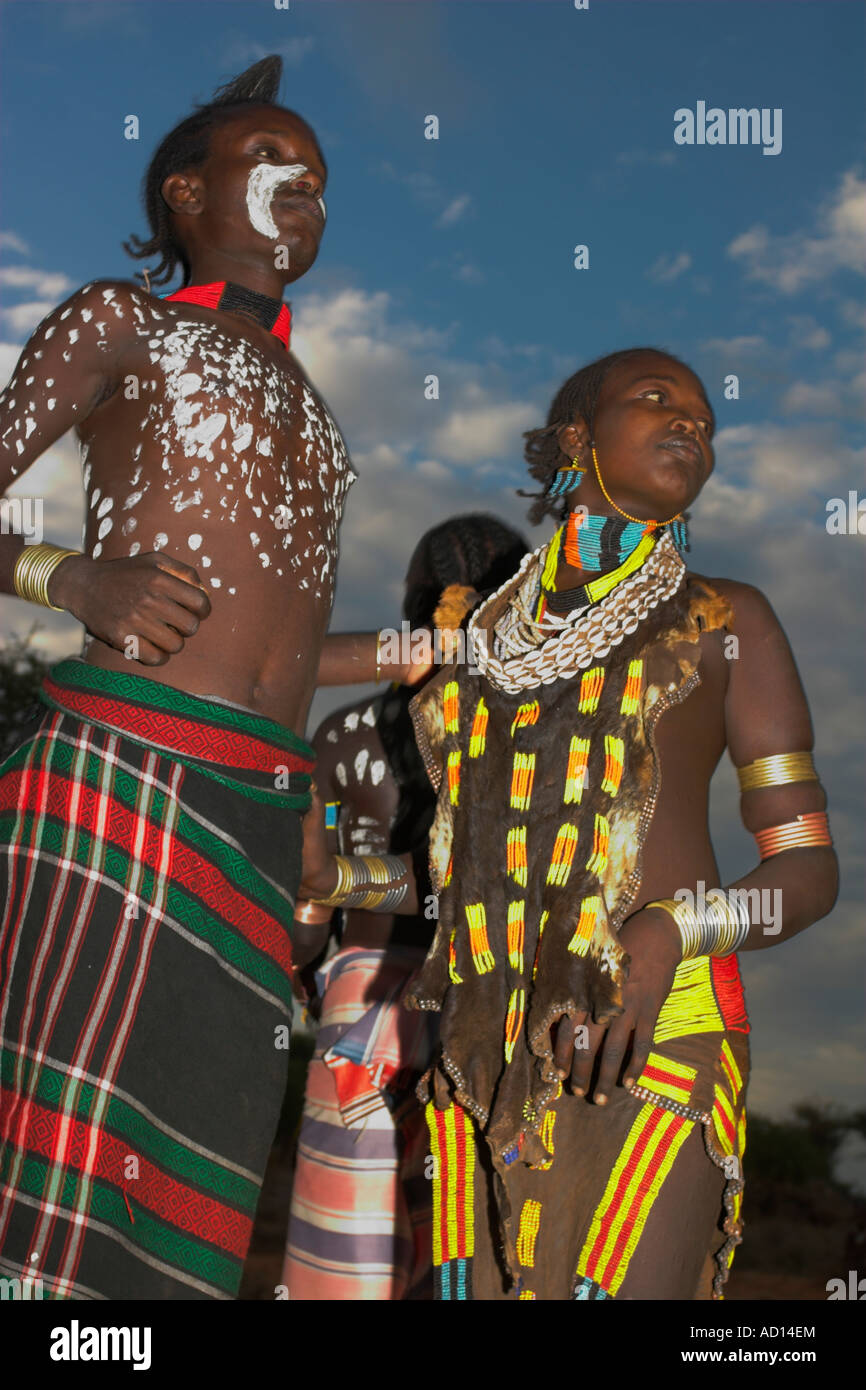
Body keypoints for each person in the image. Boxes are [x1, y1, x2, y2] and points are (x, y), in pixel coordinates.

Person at [298, 347, 838, 1301]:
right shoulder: (480, 650)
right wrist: (337, 881)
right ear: (577, 439)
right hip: (485, 1057)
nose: (692, 425)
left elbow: (807, 870)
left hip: (658, 1035)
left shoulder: (725, 620)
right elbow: (471, 876)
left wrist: (673, 931)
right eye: (657, 399)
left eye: (708, 419)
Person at [0, 55, 402, 1300]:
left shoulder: (318, 411)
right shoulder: (124, 320)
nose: (308, 192)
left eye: (322, 180)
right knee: (53, 1193)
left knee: (191, 1191)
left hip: (260, 819)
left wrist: (418, 658)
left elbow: (276, 646)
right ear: (185, 191)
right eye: (274, 162)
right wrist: (65, 580)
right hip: (121, 768)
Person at [283, 513, 528, 1300]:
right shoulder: (538, 733)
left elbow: (307, 908)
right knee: (472, 1254)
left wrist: (311, 937)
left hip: (363, 1019)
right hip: (495, 1013)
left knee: (345, 1266)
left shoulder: (340, 734)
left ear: (409, 602)